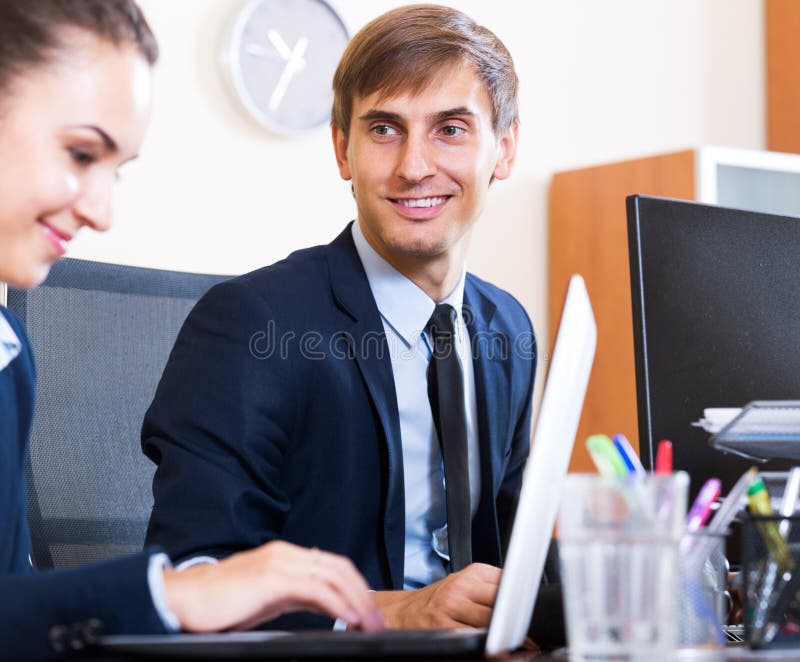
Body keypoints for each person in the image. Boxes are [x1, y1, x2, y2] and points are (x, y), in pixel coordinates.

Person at [143, 3, 563, 642]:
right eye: (385, 129)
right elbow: (196, 573)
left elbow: (508, 545)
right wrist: (387, 612)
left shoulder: (508, 328)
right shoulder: (252, 324)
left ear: (503, 149)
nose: (414, 166)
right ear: (343, 149)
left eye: (450, 129)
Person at [0, 1, 383, 658]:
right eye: (81, 152)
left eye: (115, 170)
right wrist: (168, 593)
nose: (101, 209)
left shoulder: (8, 353)